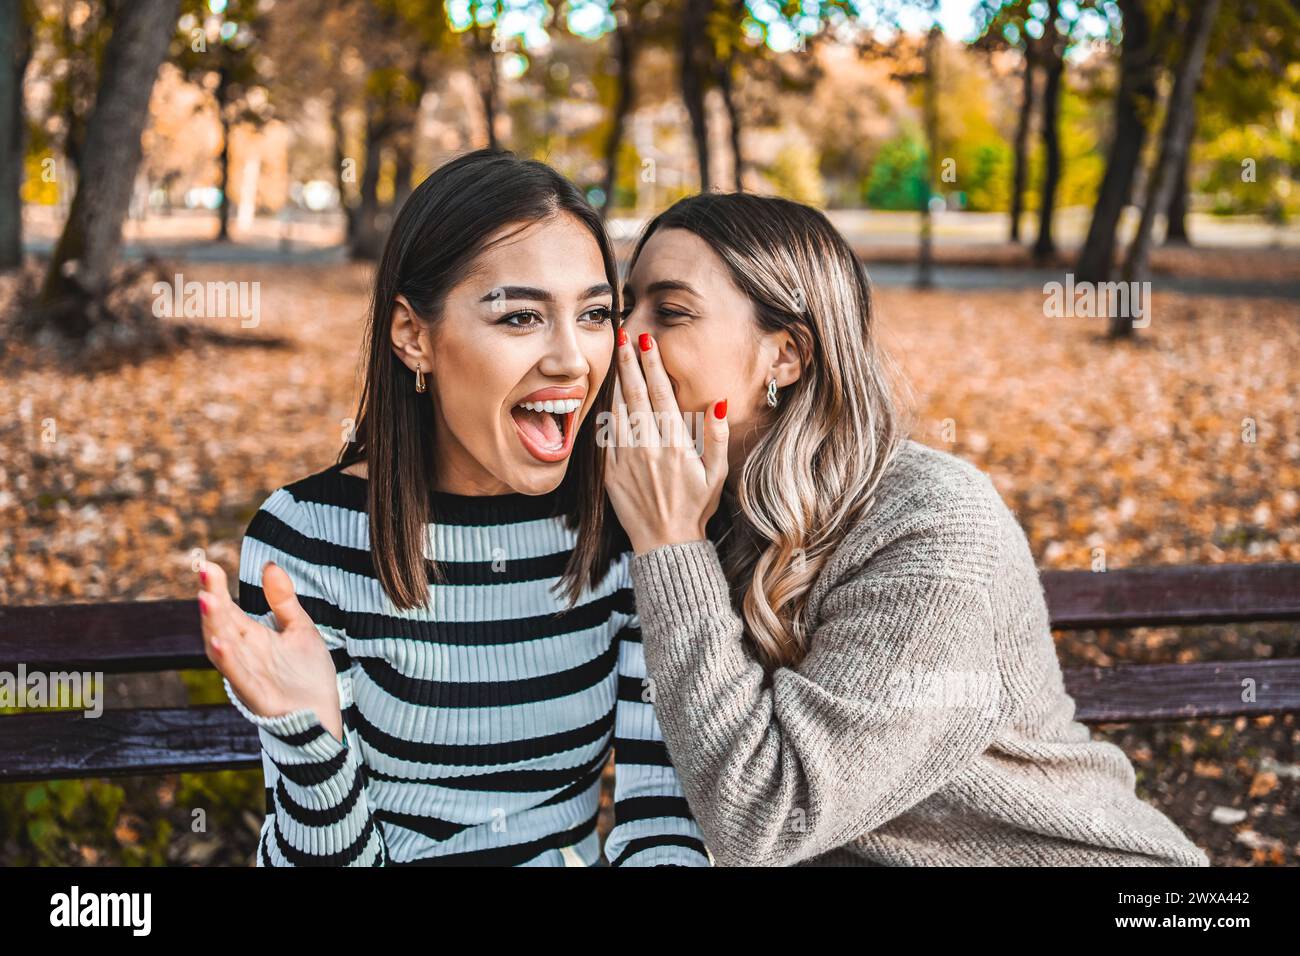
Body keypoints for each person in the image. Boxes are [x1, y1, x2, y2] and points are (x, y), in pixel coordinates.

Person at [602, 192, 1209, 866]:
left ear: (786, 356)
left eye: (671, 311)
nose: (622, 338)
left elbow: (764, 820)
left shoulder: (934, 525)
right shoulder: (687, 498)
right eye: (624, 307)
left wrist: (671, 546)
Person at [196, 149, 709, 866]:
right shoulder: (306, 540)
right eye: (522, 316)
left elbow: (662, 825)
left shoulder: (629, 522)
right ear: (413, 336)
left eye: (595, 313)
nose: (572, 359)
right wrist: (310, 744)